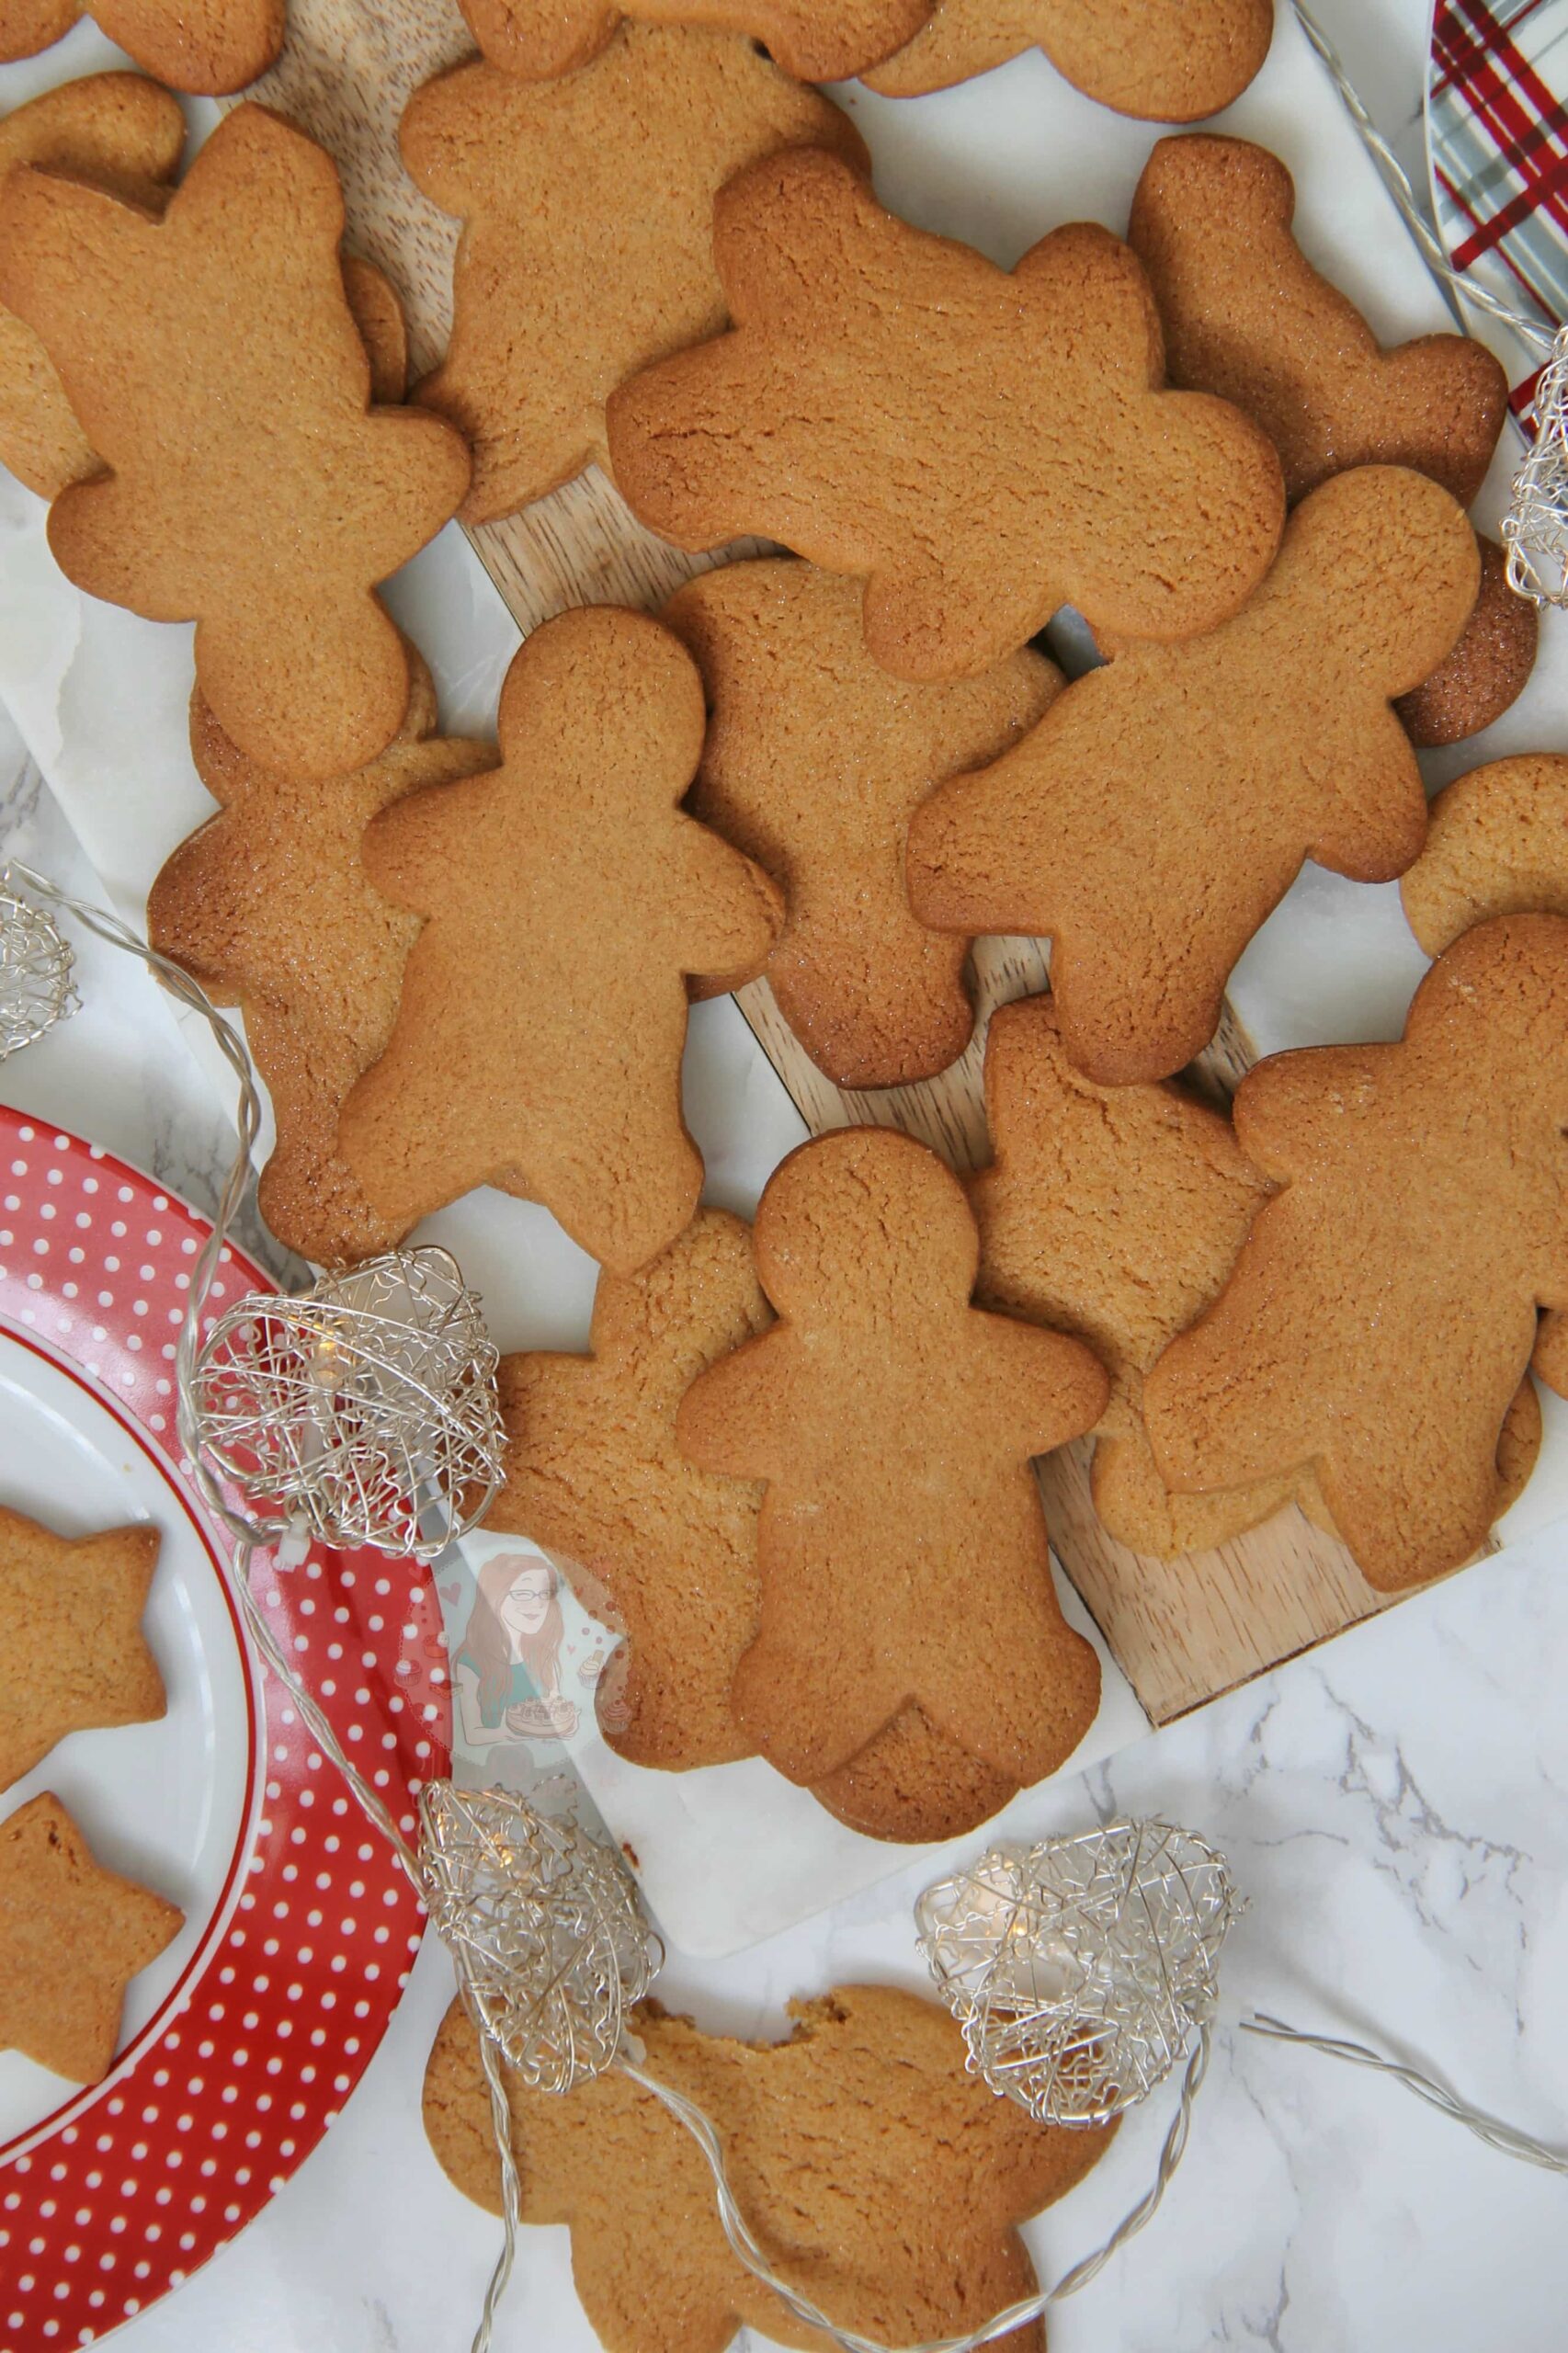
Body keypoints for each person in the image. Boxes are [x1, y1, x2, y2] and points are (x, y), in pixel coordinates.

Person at [452, 1551, 579, 1746]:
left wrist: (566, 1726)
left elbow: (554, 1710)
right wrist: (510, 1734)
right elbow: (473, 1734)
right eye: (523, 1593)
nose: (537, 1603)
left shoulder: (542, 1655)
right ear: (496, 1595)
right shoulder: (470, 1662)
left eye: (544, 1593)